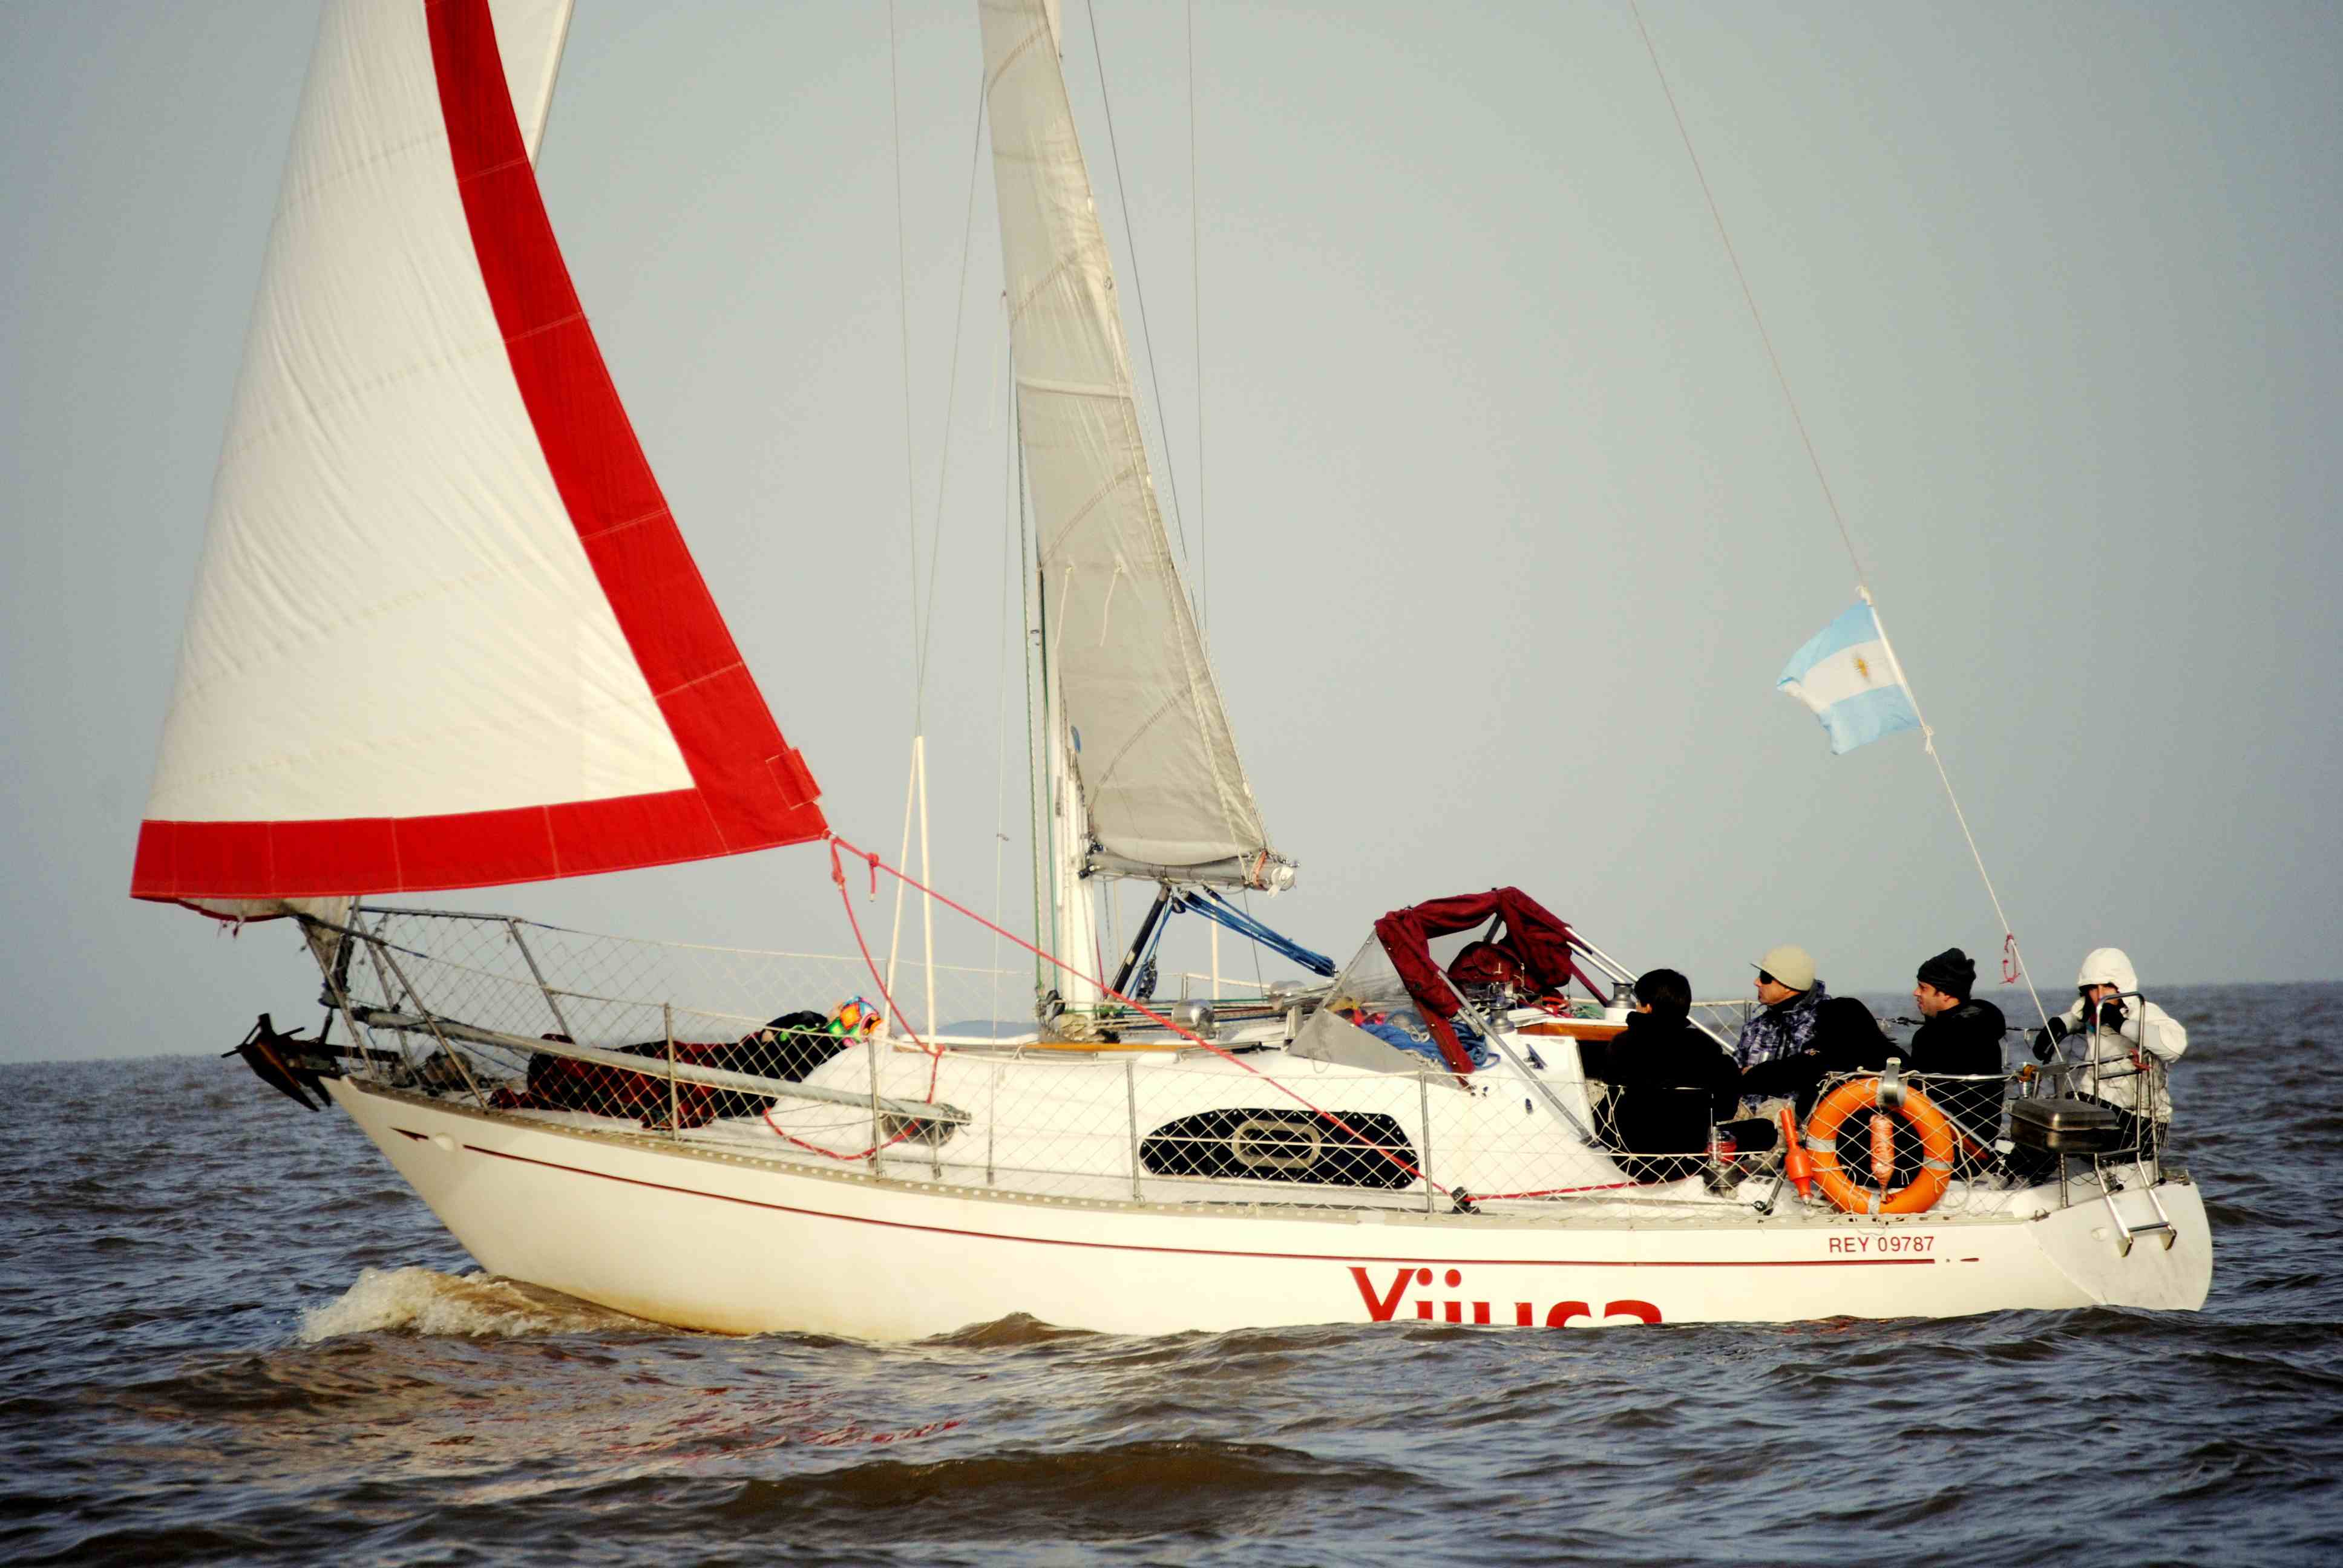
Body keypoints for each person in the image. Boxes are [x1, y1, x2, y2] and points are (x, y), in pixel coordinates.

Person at [2031, 946, 2187, 1151]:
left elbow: (2175, 1048)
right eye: (2093, 988)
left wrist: (2121, 1024)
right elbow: (2079, 1016)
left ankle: (2020, 1171)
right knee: (2042, 1111)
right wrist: (2060, 1023)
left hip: (2141, 1126)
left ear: (2121, 985)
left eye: (2107, 986)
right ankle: (2014, 1174)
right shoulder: (2092, 1014)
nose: (2099, 995)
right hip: (2098, 1114)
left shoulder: (2143, 1013)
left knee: (2069, 1105)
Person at [1601, 968, 1740, 1183]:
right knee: (1762, 1129)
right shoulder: (1706, 1047)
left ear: (1647, 1007)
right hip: (1691, 1158)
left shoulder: (1622, 1045)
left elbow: (1611, 1099)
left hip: (1633, 1159)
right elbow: (1726, 1108)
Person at [1731, 944, 1888, 1118]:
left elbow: (1819, 1070)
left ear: (1788, 985)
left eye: (1765, 977)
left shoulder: (1831, 1019)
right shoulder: (1756, 1027)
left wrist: (1755, 1075)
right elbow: (1734, 1075)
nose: (1756, 982)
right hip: (1748, 1114)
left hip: (1802, 1120)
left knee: (1773, 1113)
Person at [1903, 947, 2007, 1161]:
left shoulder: (1933, 1038)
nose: (1916, 993)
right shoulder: (1984, 1025)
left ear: (1947, 993)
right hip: (1982, 1144)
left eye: (1923, 987)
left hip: (1946, 1150)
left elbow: (1919, 1100)